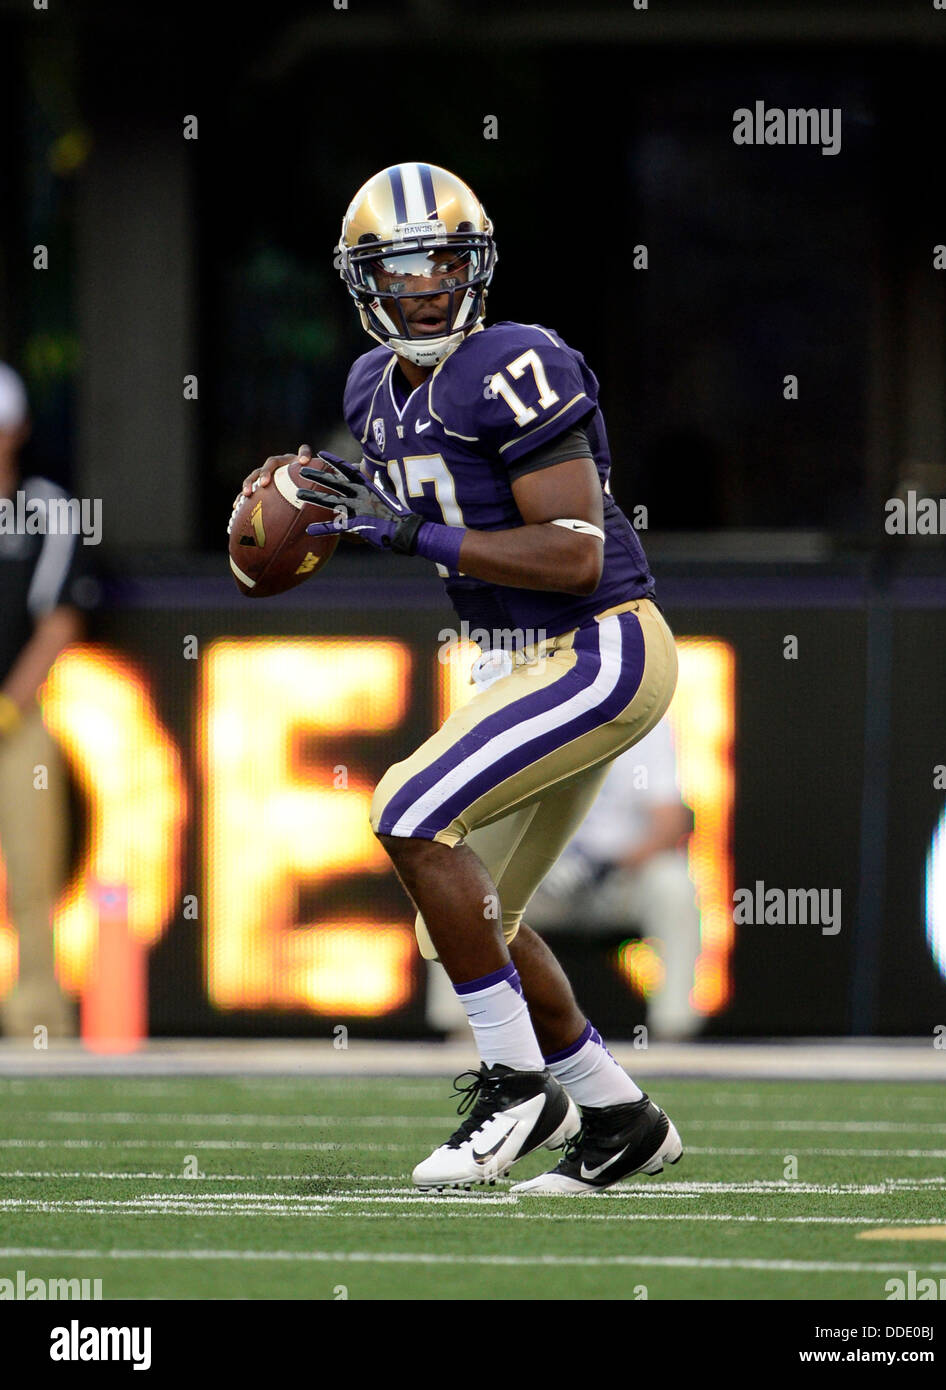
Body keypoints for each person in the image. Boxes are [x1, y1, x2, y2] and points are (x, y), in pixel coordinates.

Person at [240, 163, 682, 1194]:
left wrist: (414, 531)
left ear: (475, 264)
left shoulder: (517, 362)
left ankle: (515, 1082)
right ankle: (619, 1113)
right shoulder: (369, 388)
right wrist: (315, 500)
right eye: (401, 267)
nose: (428, 285)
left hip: (599, 642)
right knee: (475, 919)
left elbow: (574, 552)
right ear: (363, 282)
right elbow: (377, 504)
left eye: (443, 259)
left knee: (406, 805)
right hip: (520, 660)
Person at [0, 363, 85, 1038]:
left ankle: (36, 1017)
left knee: (33, 872)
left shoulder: (47, 506)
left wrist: (7, 707)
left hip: (17, 719)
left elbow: (59, 619)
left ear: (19, 431)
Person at [527, 716, 703, 1040]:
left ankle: (675, 1033)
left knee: (674, 886)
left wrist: (609, 864)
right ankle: (466, 1040)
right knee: (469, 892)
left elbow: (670, 819)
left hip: (619, 879)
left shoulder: (644, 719)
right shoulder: (525, 715)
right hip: (537, 883)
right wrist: (534, 863)